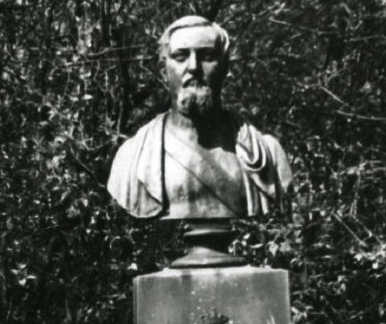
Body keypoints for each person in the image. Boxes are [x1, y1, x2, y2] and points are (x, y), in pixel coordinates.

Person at [107, 15, 292, 220]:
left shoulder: (267, 156)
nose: (194, 66)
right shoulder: (132, 160)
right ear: (162, 73)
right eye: (180, 56)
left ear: (224, 68)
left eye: (207, 55)